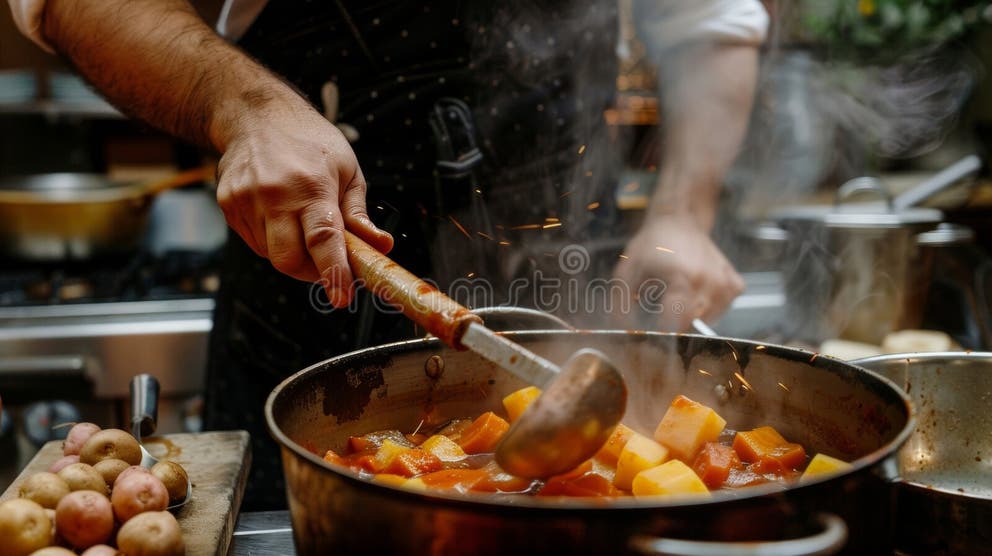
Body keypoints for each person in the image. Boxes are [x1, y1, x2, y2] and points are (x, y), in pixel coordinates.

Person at [9, 0, 766, 509]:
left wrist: (684, 214)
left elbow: (709, 19)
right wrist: (246, 107)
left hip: (570, 270)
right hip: (306, 284)